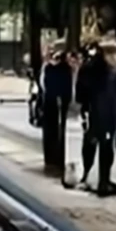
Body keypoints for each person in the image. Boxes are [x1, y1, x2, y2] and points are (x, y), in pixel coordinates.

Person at [76, 41, 116, 195]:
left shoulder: (88, 68)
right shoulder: (112, 72)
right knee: (106, 149)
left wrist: (83, 109)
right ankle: (103, 181)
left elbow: (80, 92)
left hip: (92, 114)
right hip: (107, 115)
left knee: (90, 146)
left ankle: (87, 175)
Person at [40, 39, 72, 177]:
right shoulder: (64, 69)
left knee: (51, 131)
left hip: (51, 101)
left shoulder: (49, 68)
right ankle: (57, 158)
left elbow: (43, 85)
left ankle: (52, 158)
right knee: (58, 130)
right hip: (60, 102)